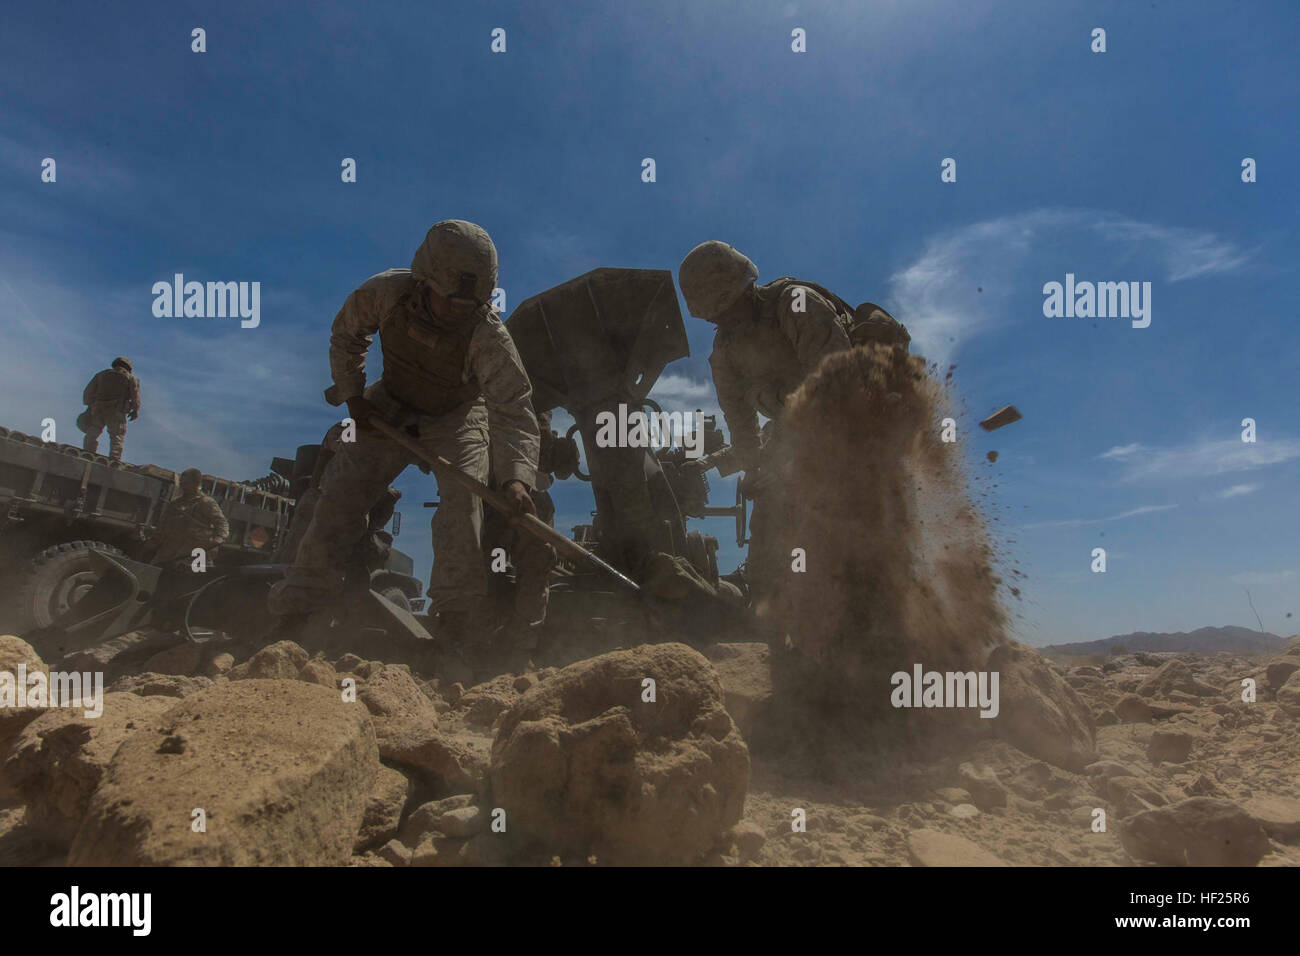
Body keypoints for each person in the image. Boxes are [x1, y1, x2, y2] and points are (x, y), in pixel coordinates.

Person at [267, 220, 542, 657]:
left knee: (463, 501)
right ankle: (299, 608)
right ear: (425, 278)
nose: (459, 310)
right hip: (387, 405)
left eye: (471, 303)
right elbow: (346, 336)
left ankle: (456, 620)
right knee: (339, 493)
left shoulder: (489, 336)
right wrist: (355, 398)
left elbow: (513, 410)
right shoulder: (386, 293)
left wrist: (515, 479)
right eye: (451, 299)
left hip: (458, 418)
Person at [677, 240, 909, 604]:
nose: (724, 320)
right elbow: (747, 441)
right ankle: (772, 621)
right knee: (769, 519)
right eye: (714, 315)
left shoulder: (797, 305)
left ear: (747, 286)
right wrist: (709, 465)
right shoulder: (724, 357)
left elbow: (837, 387)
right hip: (796, 433)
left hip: (851, 418)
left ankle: (879, 608)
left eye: (728, 305)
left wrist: (788, 461)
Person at [142, 467, 230, 629]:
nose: (182, 485)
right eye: (181, 482)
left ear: (197, 484)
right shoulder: (175, 504)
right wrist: (150, 543)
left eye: (186, 483)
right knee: (162, 590)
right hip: (170, 554)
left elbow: (222, 525)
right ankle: (159, 623)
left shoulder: (206, 503)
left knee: (193, 592)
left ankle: (187, 626)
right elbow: (162, 529)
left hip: (196, 555)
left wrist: (215, 541)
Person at [79, 357, 141, 461]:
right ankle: (115, 459)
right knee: (117, 435)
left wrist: (90, 405)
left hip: (98, 408)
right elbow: (135, 396)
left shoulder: (101, 375)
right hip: (117, 411)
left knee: (93, 431)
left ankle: (88, 452)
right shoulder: (131, 378)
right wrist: (135, 410)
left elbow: (88, 393)